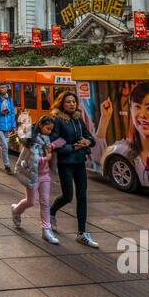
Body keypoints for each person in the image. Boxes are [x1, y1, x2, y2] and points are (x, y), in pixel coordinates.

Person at [50, 90, 99, 248]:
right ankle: (51, 212)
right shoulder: (57, 119)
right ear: (62, 103)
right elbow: (54, 142)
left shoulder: (78, 119)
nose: (72, 104)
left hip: (79, 162)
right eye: (68, 102)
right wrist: (72, 147)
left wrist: (87, 142)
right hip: (65, 163)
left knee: (82, 197)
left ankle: (82, 233)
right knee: (67, 196)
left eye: (74, 102)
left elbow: (90, 137)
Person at [12, 115, 58, 243]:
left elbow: (60, 141)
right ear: (40, 126)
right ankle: (16, 210)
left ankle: (46, 230)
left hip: (45, 175)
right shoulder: (31, 140)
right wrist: (46, 158)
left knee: (45, 202)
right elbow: (33, 161)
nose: (50, 132)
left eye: (51, 130)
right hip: (31, 175)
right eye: (48, 129)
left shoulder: (47, 139)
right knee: (31, 201)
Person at [0, 82, 19, 175]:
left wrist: (13, 126)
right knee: (5, 146)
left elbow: (12, 113)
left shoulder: (9, 99)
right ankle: (7, 166)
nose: (4, 89)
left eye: (5, 87)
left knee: (3, 146)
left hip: (8, 126)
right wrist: (0, 113)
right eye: (2, 87)